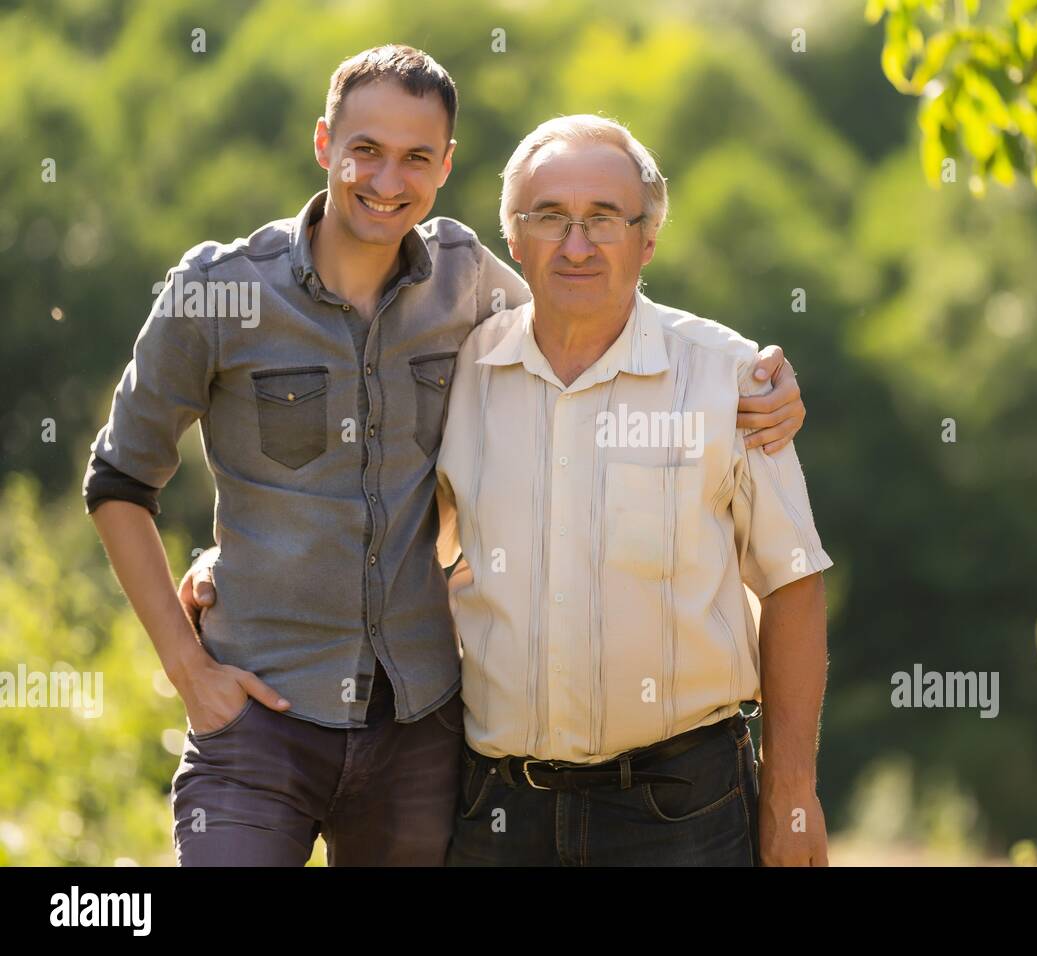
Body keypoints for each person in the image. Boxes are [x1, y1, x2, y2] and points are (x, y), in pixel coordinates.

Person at [88, 45, 806, 866]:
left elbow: (588, 301)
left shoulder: (465, 281)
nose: (386, 180)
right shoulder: (218, 293)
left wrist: (750, 378)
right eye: (366, 151)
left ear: (446, 167)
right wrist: (188, 669)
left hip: (418, 727)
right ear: (325, 143)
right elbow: (119, 479)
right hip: (259, 717)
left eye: (415, 159)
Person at [434, 115, 833, 866]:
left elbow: (794, 582)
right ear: (513, 240)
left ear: (647, 240)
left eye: (604, 220)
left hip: (682, 810)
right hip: (495, 811)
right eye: (549, 217)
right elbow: (387, 530)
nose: (576, 245)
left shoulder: (731, 378)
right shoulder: (455, 376)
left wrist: (791, 792)